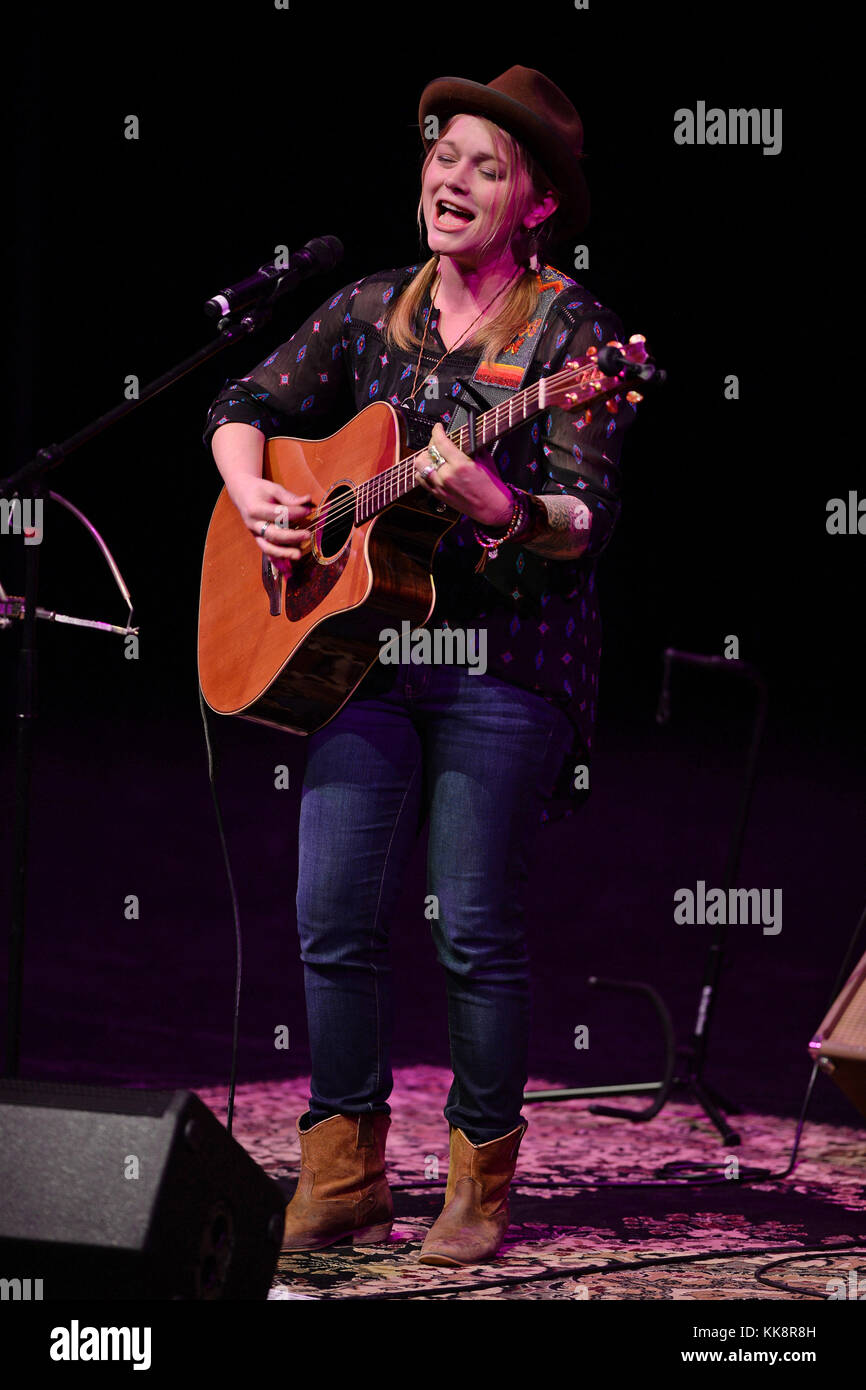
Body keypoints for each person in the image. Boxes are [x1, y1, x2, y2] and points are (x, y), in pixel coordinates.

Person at [203, 66, 639, 1267]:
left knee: (471, 922)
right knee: (330, 914)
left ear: (536, 204)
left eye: (483, 166)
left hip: (509, 662)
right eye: (442, 153)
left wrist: (494, 498)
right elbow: (243, 400)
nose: (450, 177)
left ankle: (477, 1181)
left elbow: (583, 517)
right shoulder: (369, 306)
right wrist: (260, 501)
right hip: (362, 658)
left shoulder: (570, 334)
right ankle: (341, 1170)